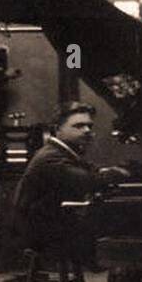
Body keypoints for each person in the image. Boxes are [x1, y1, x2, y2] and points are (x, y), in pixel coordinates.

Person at [13, 102, 125, 266]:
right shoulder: (51, 156)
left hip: (47, 224)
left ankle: (125, 280)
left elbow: (92, 171)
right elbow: (90, 181)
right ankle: (127, 276)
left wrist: (109, 173)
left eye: (89, 126)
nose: (87, 130)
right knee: (125, 226)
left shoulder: (63, 151)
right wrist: (121, 173)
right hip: (37, 233)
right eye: (78, 126)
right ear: (58, 129)